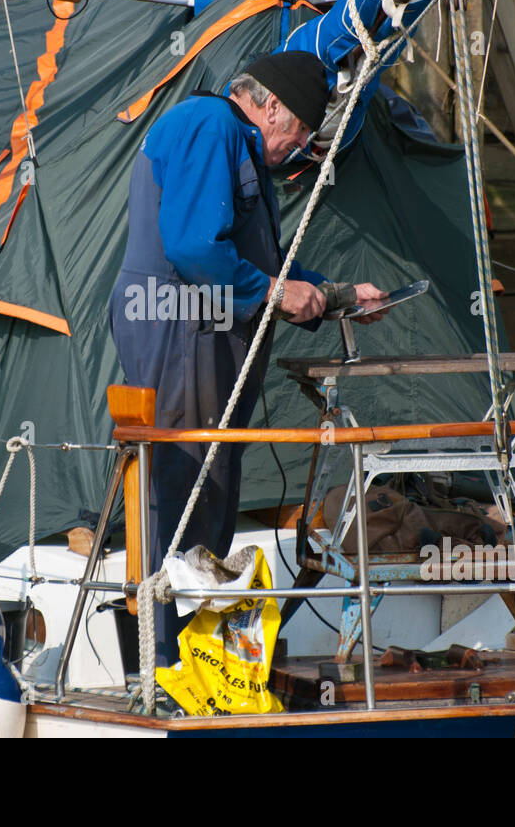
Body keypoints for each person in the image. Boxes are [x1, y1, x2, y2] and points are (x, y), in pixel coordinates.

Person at [109, 50, 387, 665]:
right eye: (300, 134)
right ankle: (164, 662)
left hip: (196, 331)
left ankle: (189, 656)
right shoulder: (212, 128)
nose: (298, 150)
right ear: (271, 107)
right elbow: (192, 249)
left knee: (205, 488)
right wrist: (272, 291)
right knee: (185, 487)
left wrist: (337, 296)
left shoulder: (230, 137)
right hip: (183, 326)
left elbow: (263, 263)